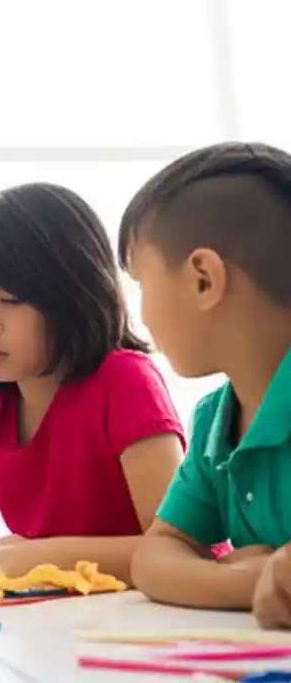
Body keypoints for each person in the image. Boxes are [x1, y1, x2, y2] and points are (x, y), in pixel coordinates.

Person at [0, 182, 185, 591]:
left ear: (73, 294)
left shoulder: (125, 382)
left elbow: (177, 548)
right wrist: (0, 555)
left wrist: (41, 556)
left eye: (10, 301)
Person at [122, 142, 291, 625]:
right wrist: (248, 581)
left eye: (142, 284)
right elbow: (156, 556)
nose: (144, 313)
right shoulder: (218, 418)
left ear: (203, 279)